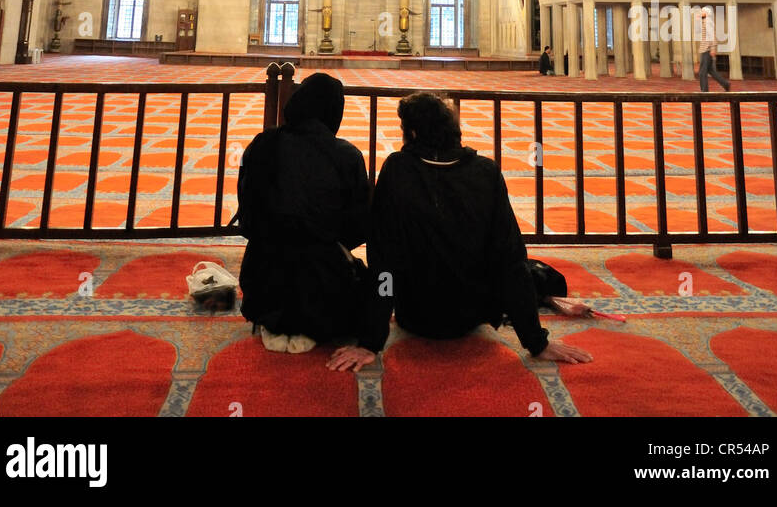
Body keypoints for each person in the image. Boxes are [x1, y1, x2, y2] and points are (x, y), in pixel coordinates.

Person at [327, 91, 593, 372]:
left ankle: (545, 293)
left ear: (413, 133)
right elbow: (510, 259)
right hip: (473, 314)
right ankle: (547, 294)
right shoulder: (486, 171)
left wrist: (370, 342)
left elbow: (385, 262)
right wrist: (537, 342)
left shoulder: (397, 170)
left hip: (417, 316)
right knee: (521, 266)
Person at [235, 72, 372, 353]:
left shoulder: (262, 145)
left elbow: (247, 219)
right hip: (323, 284)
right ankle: (311, 323)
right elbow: (359, 227)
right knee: (364, 282)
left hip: (263, 281)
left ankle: (274, 320)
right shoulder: (346, 155)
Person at [696, 5, 731, 93]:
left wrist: (713, 48)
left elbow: (712, 36)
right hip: (706, 49)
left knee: (702, 72)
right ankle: (725, 84)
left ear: (707, 13)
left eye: (702, 11)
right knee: (711, 71)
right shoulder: (705, 21)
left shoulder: (707, 22)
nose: (701, 12)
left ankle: (704, 91)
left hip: (707, 49)